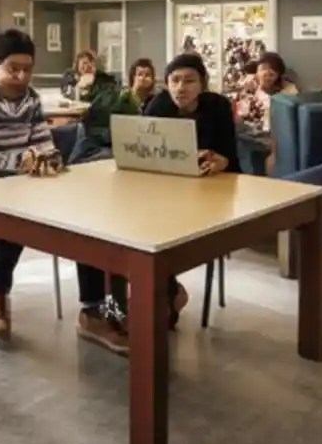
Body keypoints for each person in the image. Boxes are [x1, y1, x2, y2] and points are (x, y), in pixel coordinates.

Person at [0, 29, 123, 352]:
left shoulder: (31, 99)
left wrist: (45, 159)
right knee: (19, 216)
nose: (21, 76)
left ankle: (94, 309)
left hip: (24, 182)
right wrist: (19, 161)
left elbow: (44, 146)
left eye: (27, 69)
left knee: (85, 217)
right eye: (12, 68)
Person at [94, 53, 239, 353]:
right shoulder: (158, 106)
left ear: (203, 84)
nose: (180, 88)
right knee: (133, 226)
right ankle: (159, 296)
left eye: (189, 81)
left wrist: (221, 161)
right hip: (164, 192)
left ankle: (162, 295)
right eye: (174, 81)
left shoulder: (218, 108)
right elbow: (146, 154)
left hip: (211, 194)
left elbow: (233, 160)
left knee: (161, 230)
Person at [235, 51, 298, 132]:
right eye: (263, 68)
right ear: (256, 72)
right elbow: (240, 117)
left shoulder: (288, 90)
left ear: (278, 75)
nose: (267, 74)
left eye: (272, 71)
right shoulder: (249, 89)